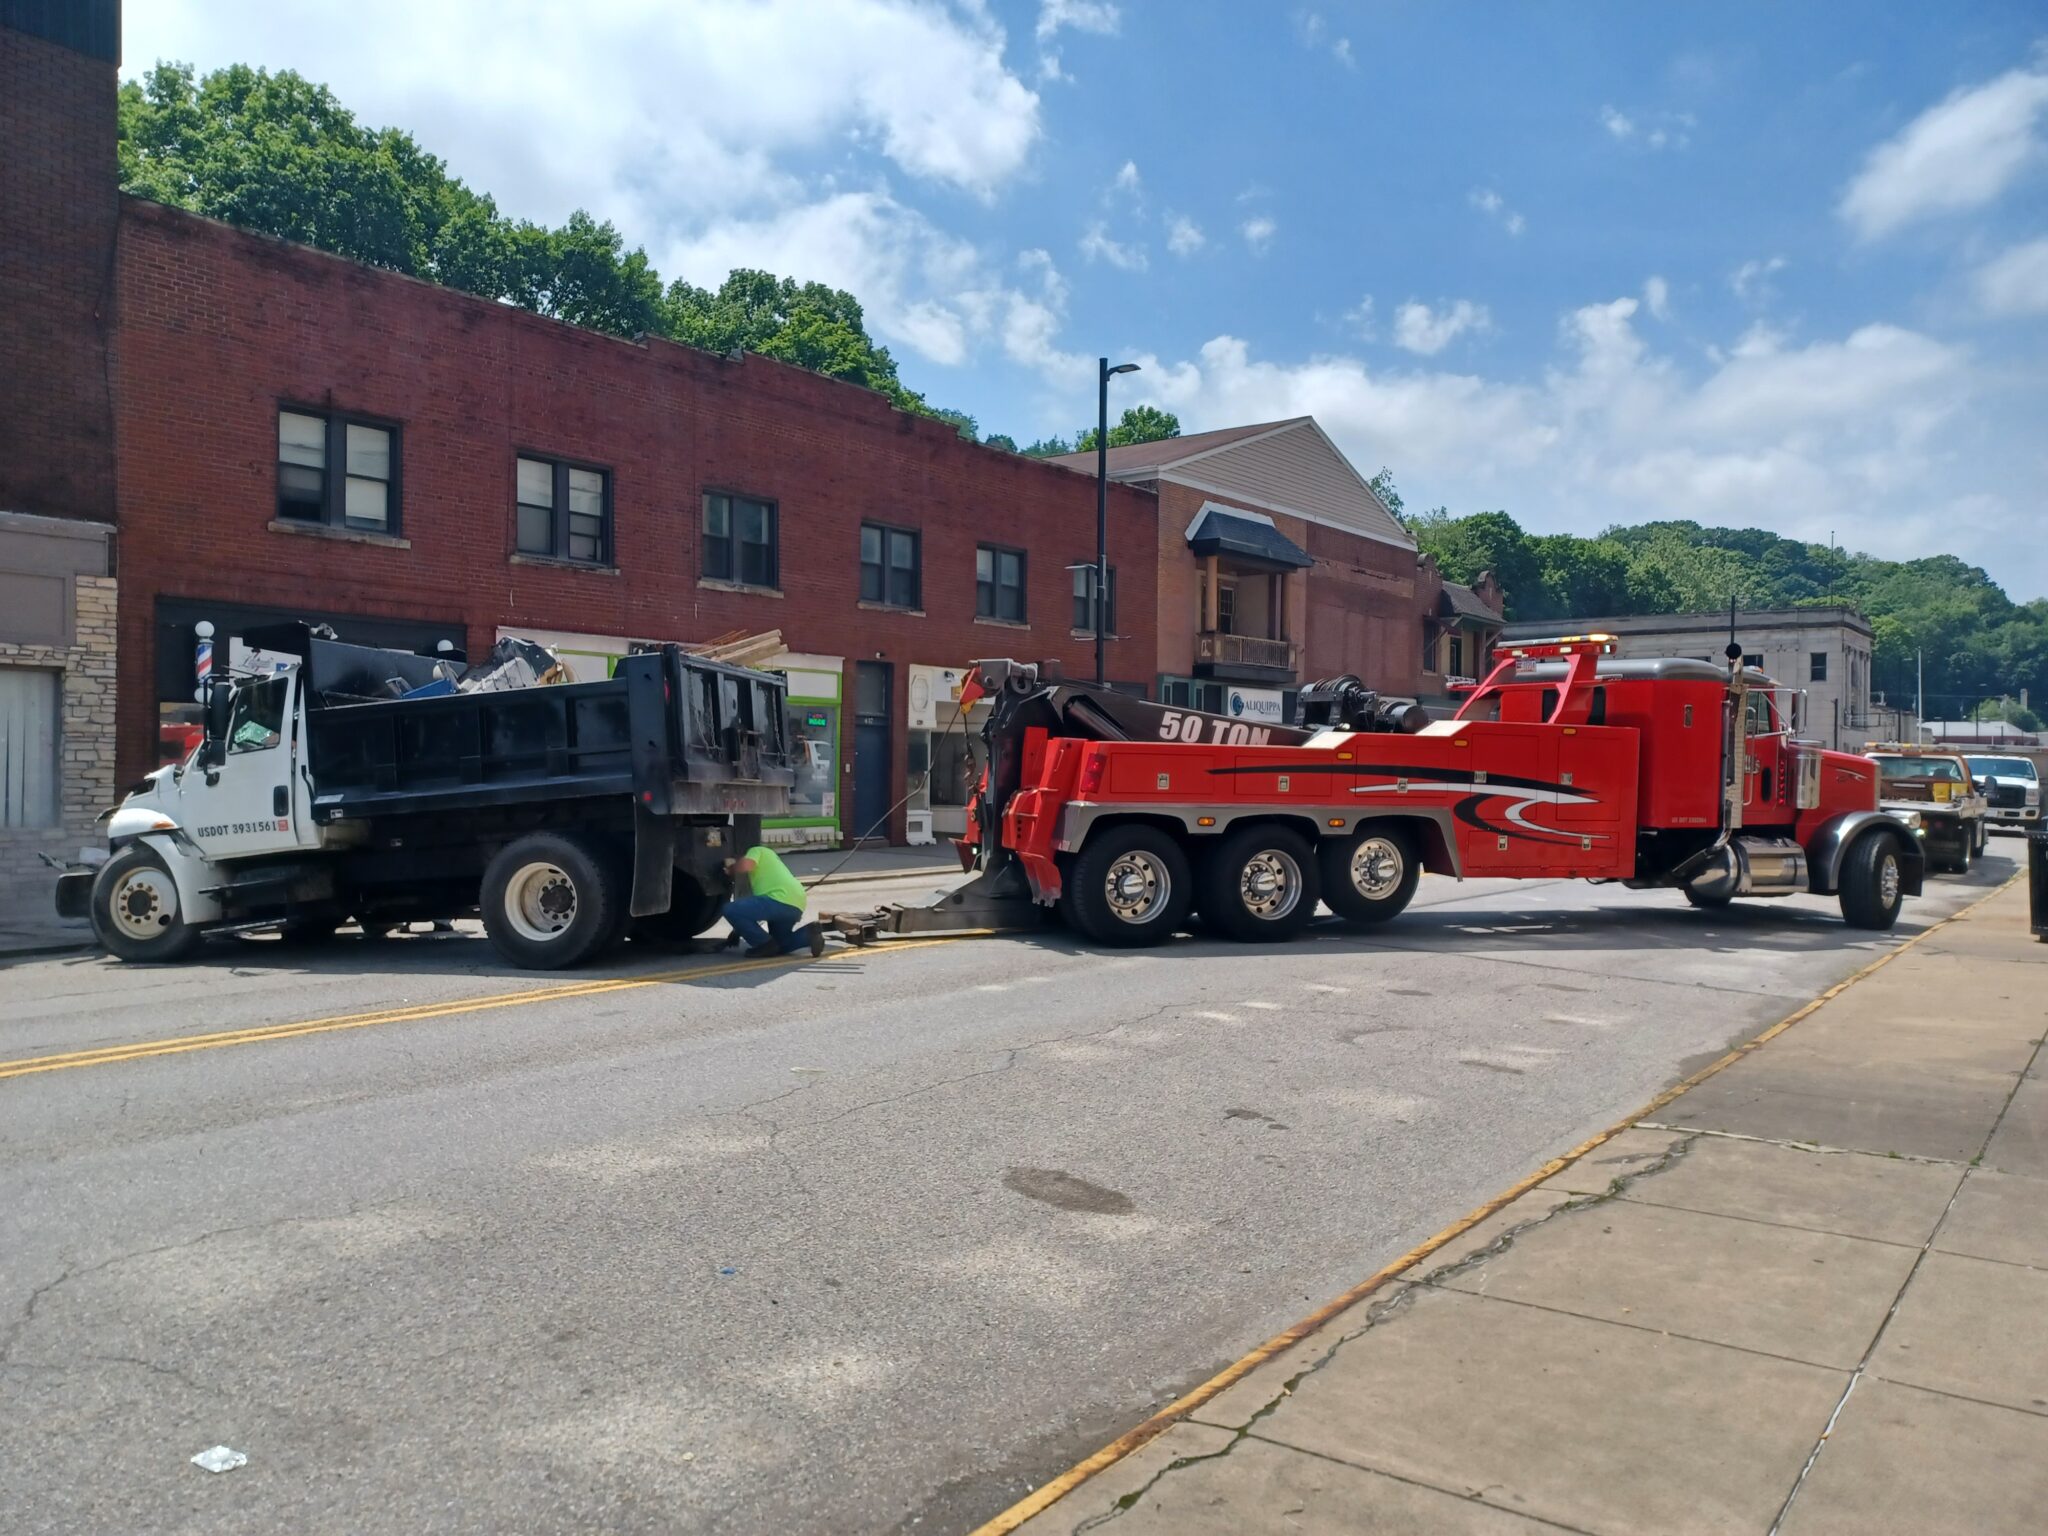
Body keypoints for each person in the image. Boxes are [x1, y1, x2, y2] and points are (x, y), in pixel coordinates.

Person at [722, 844, 827, 958]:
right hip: (795, 904)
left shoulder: (757, 850)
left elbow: (747, 865)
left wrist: (731, 869)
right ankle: (808, 934)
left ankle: (763, 944)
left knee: (730, 909)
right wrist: (738, 931)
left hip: (778, 899)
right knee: (779, 945)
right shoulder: (771, 857)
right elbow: (750, 912)